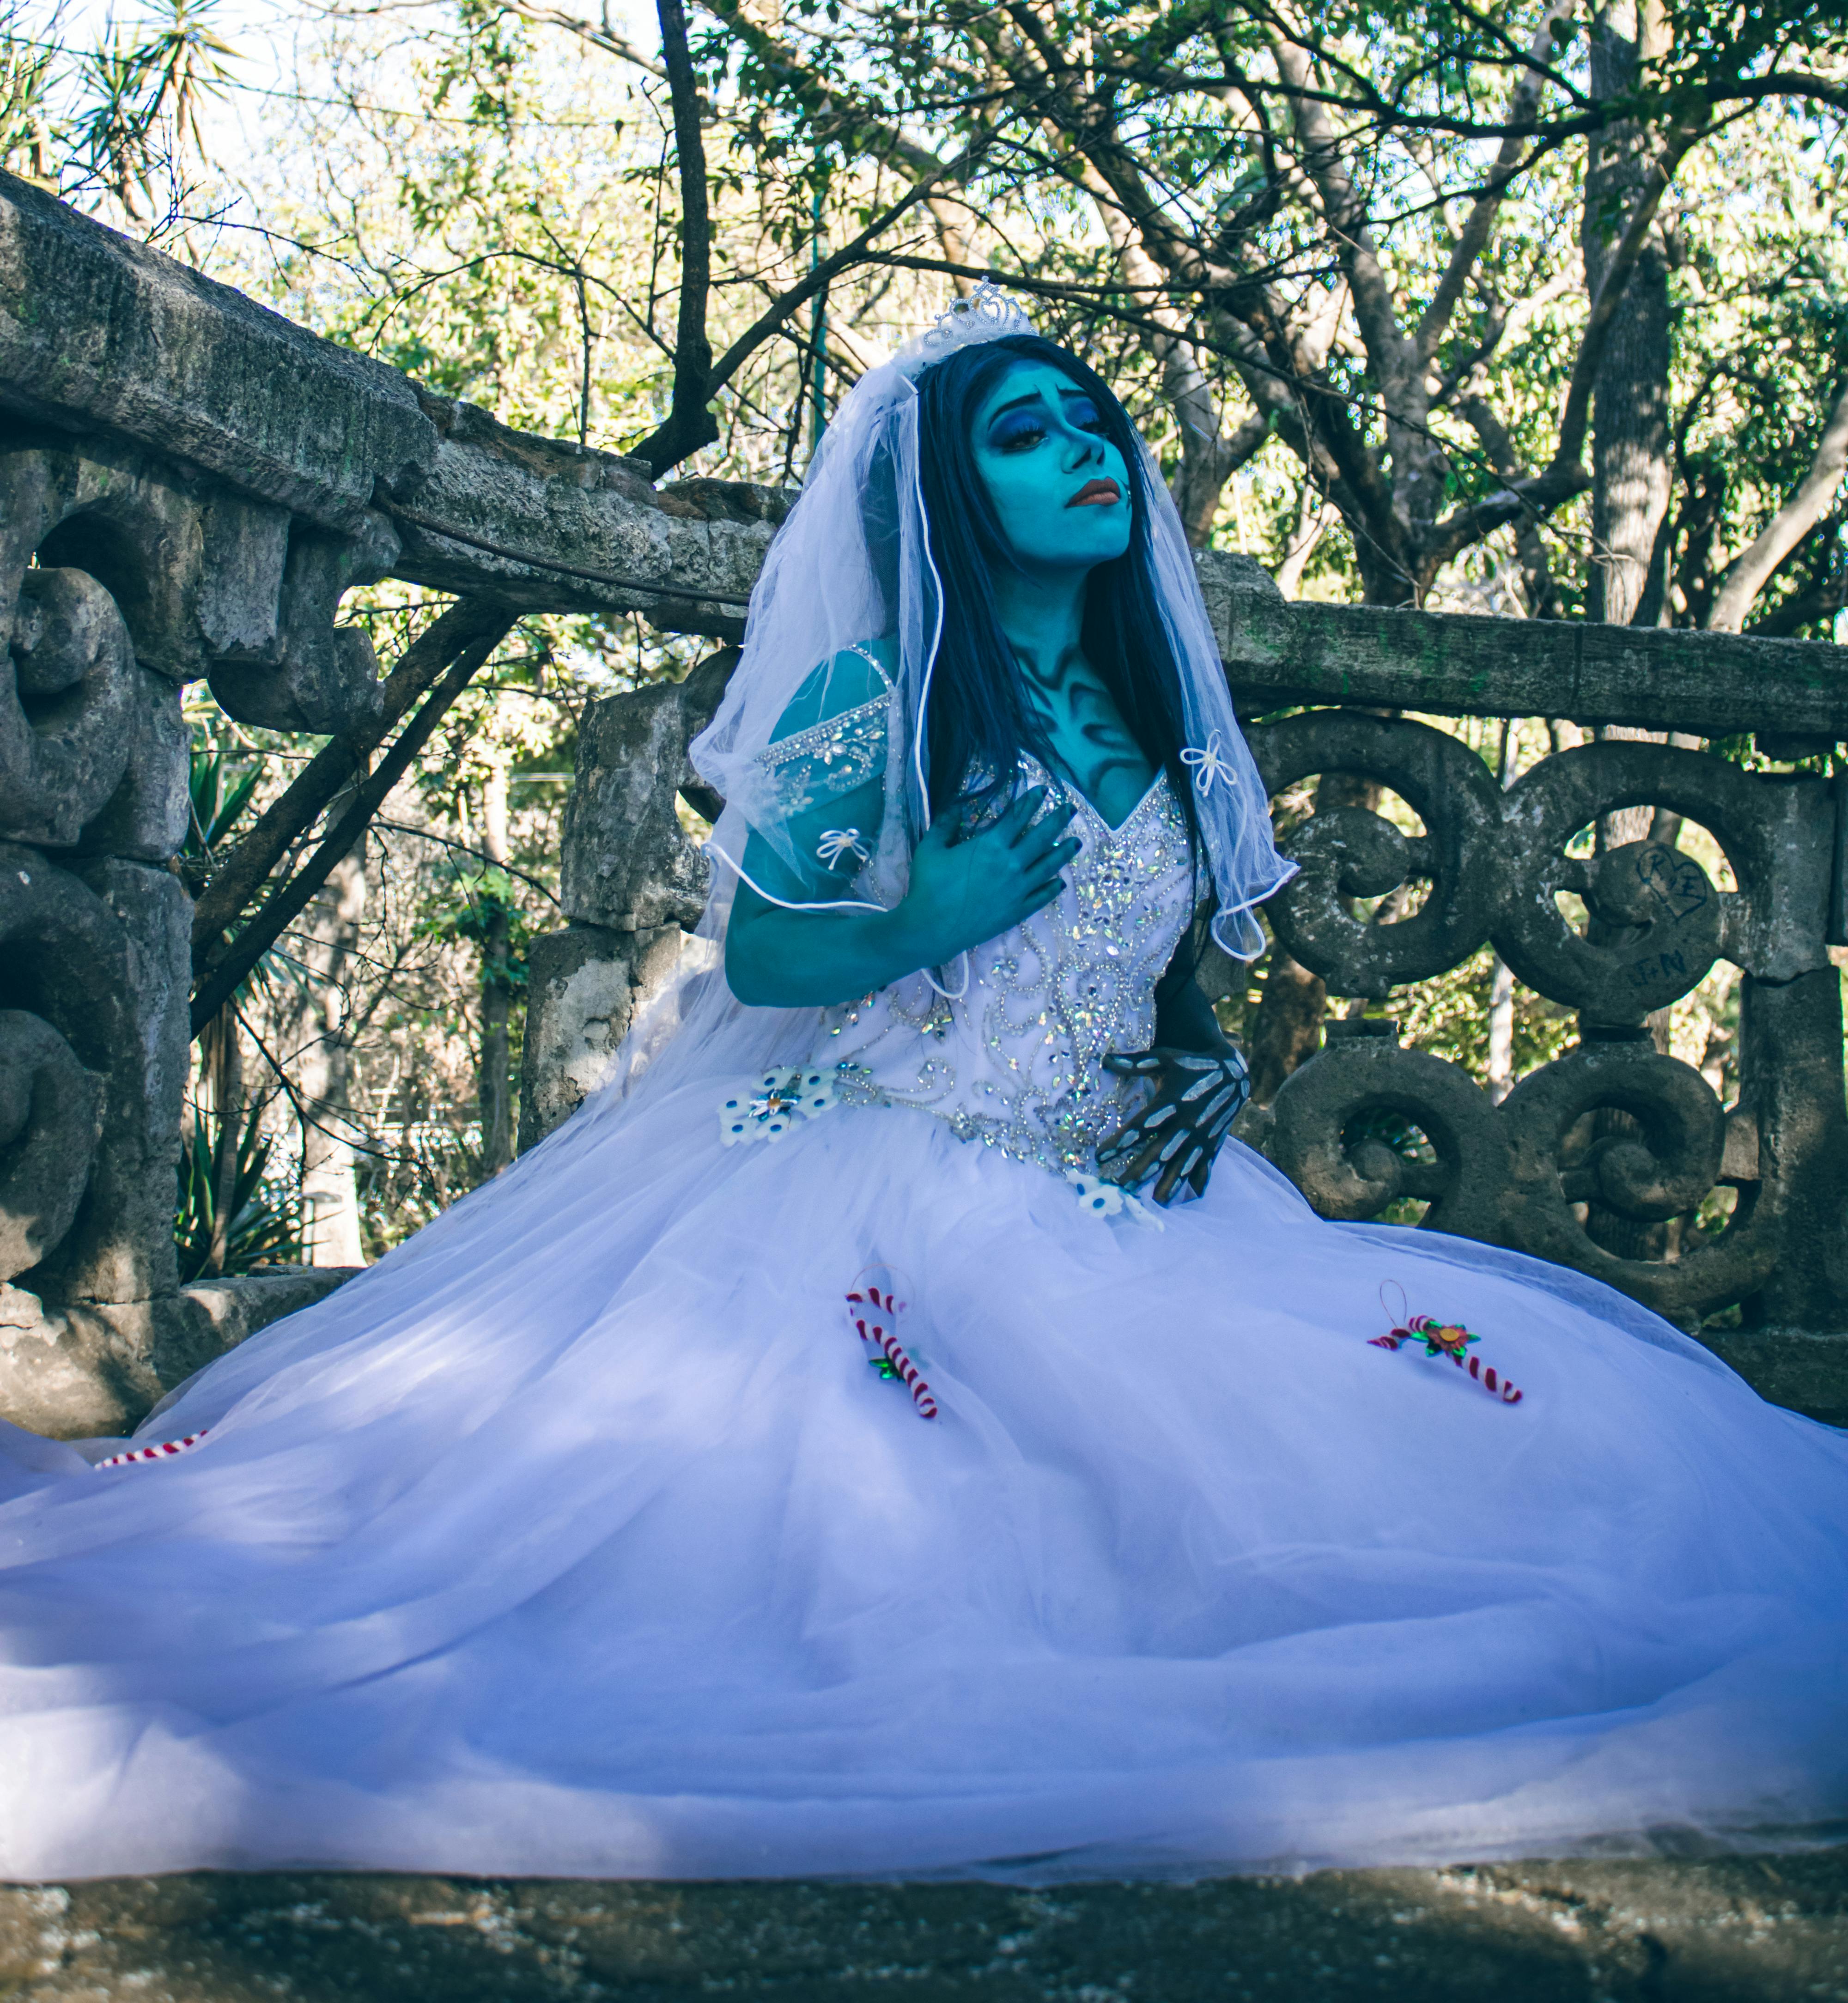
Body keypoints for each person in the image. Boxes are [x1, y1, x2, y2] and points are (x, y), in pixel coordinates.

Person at [0, 285, 1842, 1884]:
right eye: (1027, 437)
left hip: (1136, 1197)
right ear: (954, 494)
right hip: (877, 1170)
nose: (1086, 454)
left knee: (1466, 1456)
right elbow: (770, 957)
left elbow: (1158, 973)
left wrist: (1198, 1065)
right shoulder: (870, 695)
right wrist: (926, 913)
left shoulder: (1153, 716)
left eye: (1095, 428)